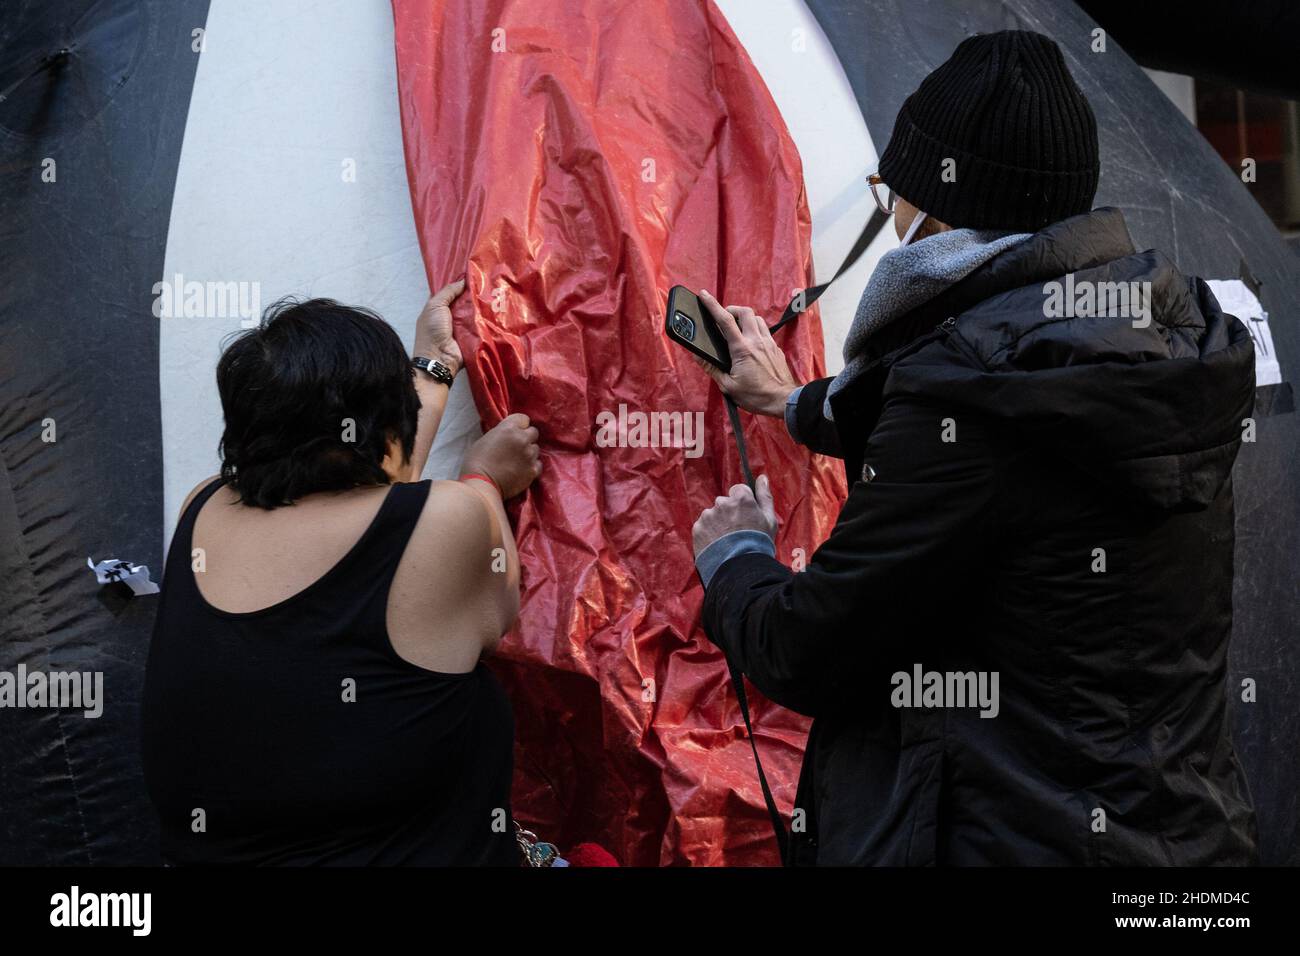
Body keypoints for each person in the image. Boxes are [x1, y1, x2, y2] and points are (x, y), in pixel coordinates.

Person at [690, 30, 1258, 865]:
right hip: (1174, 834)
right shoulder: (1154, 334)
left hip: (1007, 838)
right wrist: (795, 404)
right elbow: (1003, 450)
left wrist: (733, 559)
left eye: (895, 192)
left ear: (939, 207)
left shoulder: (964, 394)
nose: (893, 218)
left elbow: (809, 649)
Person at [142, 280, 541, 865]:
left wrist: (431, 366)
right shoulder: (453, 518)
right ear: (385, 432)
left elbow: (363, 497)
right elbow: (412, 529)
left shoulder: (201, 508)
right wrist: (483, 477)